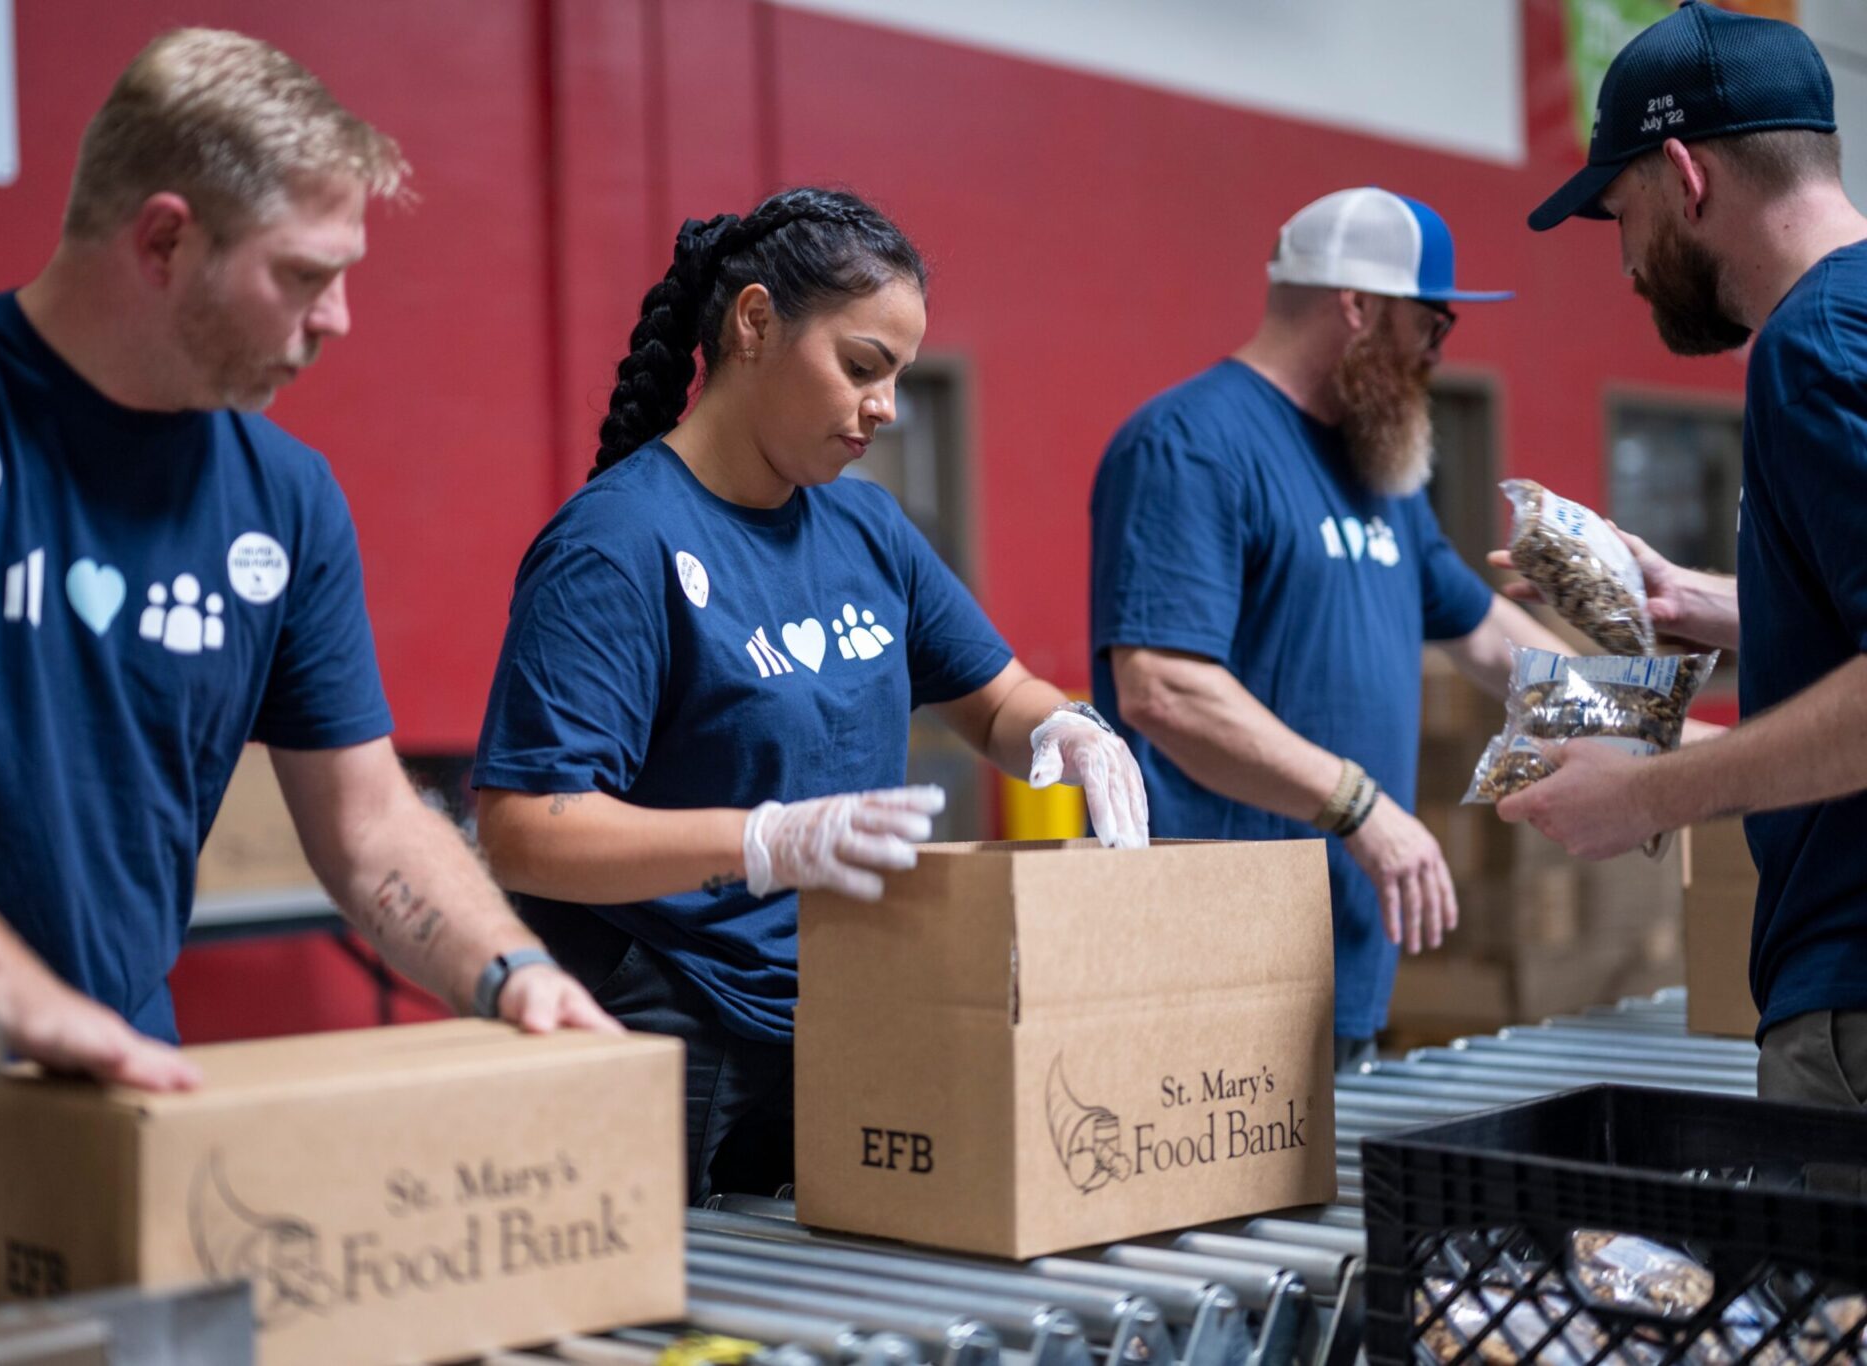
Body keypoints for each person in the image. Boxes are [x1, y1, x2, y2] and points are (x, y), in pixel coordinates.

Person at [0, 28, 612, 1238]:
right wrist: (13, 993)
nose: (337, 318)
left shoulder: (284, 500)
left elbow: (368, 821)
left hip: (116, 1121)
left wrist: (510, 971)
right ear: (164, 239)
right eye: (303, 275)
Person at [474, 188, 1149, 1201]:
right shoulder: (616, 546)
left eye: (898, 378)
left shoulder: (867, 532)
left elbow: (995, 695)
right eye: (861, 367)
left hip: (849, 1012)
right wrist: (759, 841)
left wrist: (1066, 727)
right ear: (753, 325)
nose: (884, 408)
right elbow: (527, 828)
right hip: (669, 1019)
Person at [1088, 188, 1574, 1070]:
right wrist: (1359, 806)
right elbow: (1162, 688)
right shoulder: (1189, 446)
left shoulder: (1378, 473)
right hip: (1214, 971)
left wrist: (1649, 735)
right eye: (1431, 324)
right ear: (1357, 306)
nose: (1435, 354)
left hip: (1341, 957)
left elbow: (1482, 635)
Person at [1505, 1, 1867, 1108]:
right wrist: (1697, 599)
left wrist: (1650, 792)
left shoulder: (1810, 348)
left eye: (1620, 215)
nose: (1623, 263)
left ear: (1682, 174)